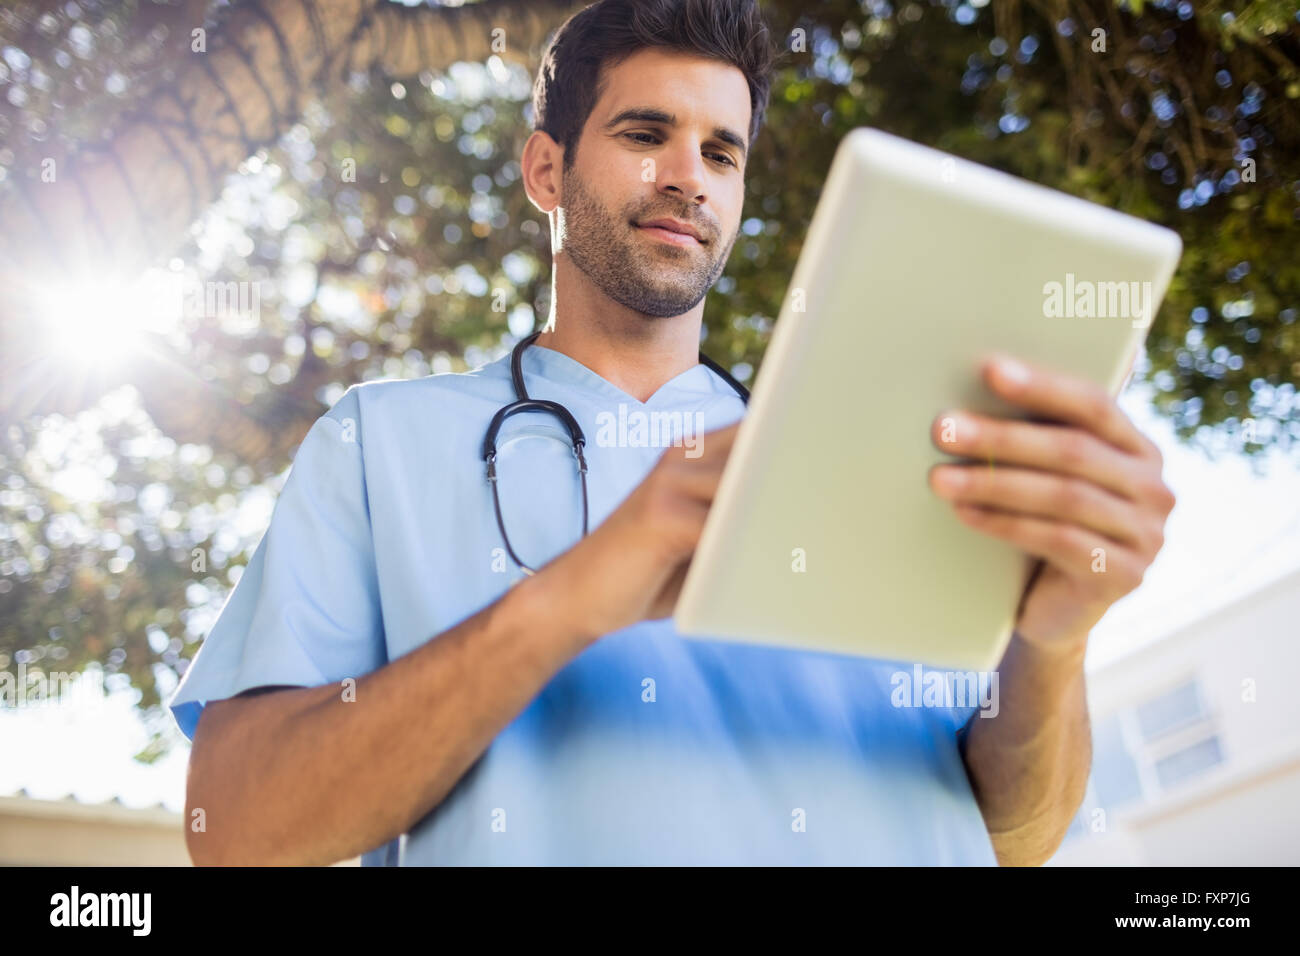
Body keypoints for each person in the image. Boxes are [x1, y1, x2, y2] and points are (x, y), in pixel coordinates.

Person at [170, 0, 1176, 866]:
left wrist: (1053, 638)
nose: (688, 176)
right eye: (645, 133)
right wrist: (564, 602)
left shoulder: (898, 450)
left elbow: (1020, 833)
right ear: (545, 172)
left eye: (721, 151)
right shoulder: (379, 441)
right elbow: (234, 825)